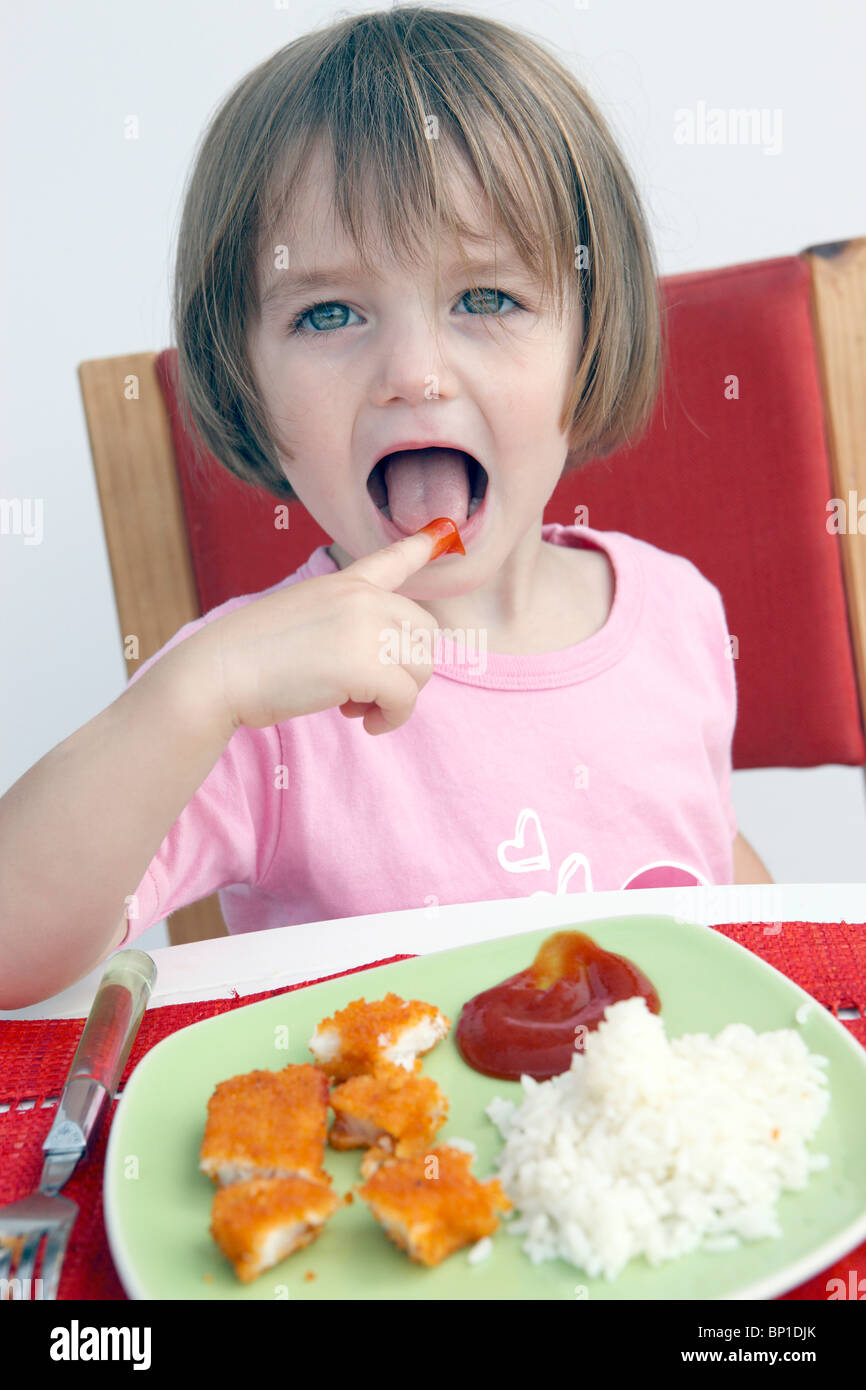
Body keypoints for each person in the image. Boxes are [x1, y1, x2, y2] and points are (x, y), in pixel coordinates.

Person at [0, 6, 771, 1010]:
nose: (413, 375)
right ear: (248, 385)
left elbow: (715, 865)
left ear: (589, 342)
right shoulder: (260, 700)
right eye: (328, 313)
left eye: (485, 299)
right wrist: (197, 689)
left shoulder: (676, 611)